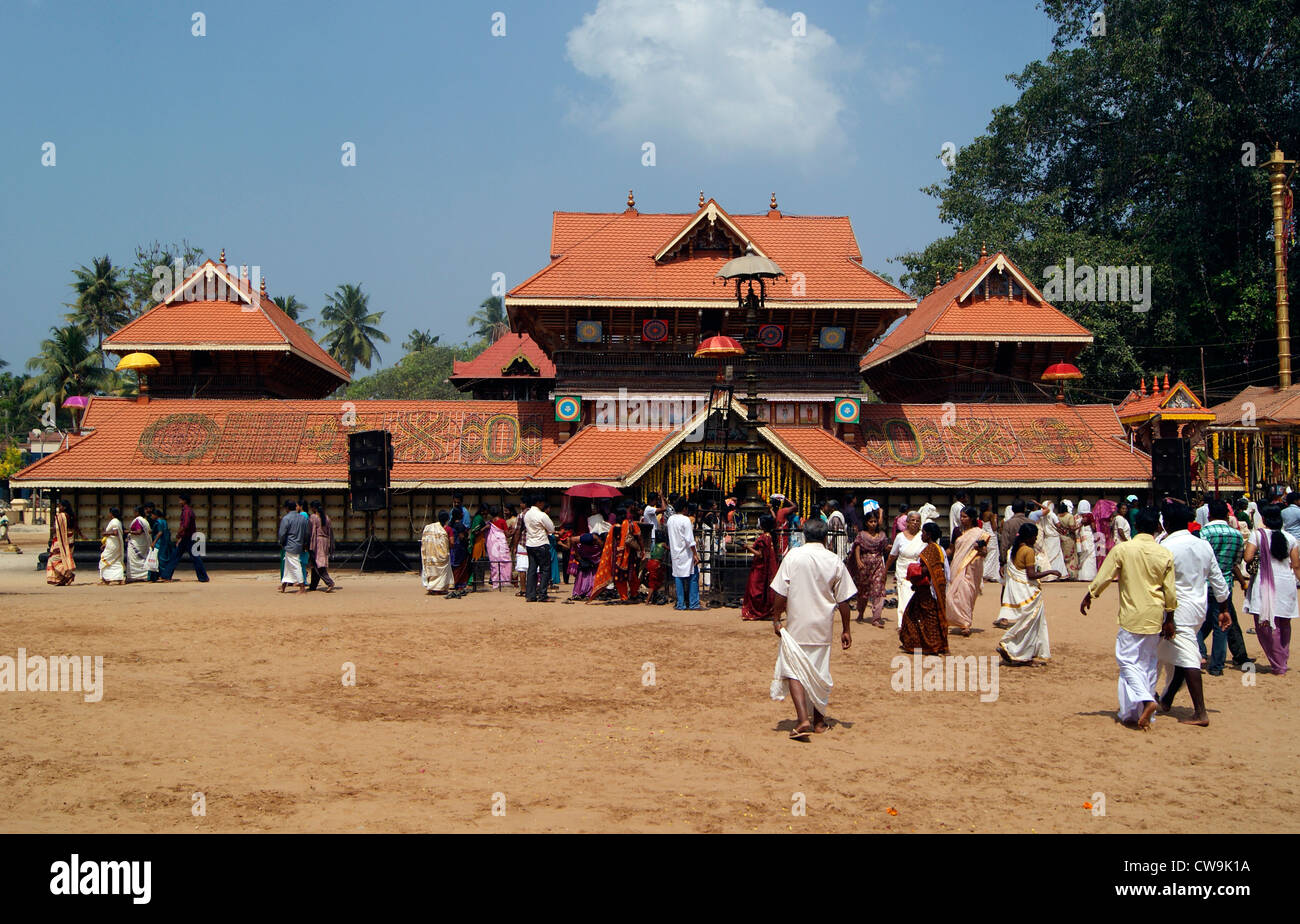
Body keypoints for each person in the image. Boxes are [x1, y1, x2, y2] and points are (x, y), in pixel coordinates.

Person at [1080, 507, 1178, 730]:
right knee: (1147, 664)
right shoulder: (1164, 553)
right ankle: (1132, 713)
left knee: (1126, 662)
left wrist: (1090, 594)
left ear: (1135, 526)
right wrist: (1170, 618)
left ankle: (1145, 700)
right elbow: (1170, 591)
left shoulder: (1123, 549)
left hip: (1131, 615)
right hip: (1155, 615)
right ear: (1157, 527)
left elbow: (1105, 575)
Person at [769, 518, 855, 739]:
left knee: (793, 670)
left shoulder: (793, 557)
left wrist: (776, 618)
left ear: (804, 535)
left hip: (797, 624)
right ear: (826, 537)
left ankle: (803, 719)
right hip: (822, 627)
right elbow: (843, 600)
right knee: (819, 673)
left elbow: (781, 593)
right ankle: (818, 721)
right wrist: (846, 629)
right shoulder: (834, 560)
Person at [1156, 504, 1229, 726]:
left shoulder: (1164, 546)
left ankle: (1200, 712)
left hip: (1174, 610)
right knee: (1176, 653)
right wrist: (1224, 608)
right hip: (1199, 607)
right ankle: (1166, 699)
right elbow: (1217, 579)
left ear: (1165, 524)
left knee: (1187, 657)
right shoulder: (1202, 545)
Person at [1242, 504, 1300, 676]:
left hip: (1265, 584)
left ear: (1264, 519)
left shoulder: (1258, 535)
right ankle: (1282, 658)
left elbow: (1247, 557)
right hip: (1286, 583)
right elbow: (1296, 565)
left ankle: (1278, 662)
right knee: (1284, 622)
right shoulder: (1290, 538)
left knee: (1265, 624)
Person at [1198, 499, 1253, 675]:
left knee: (1198, 622)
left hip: (1203, 583)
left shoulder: (1203, 533)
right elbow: (1238, 561)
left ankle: (1199, 653)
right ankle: (1217, 665)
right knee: (1221, 625)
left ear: (1209, 515)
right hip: (1225, 584)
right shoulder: (1236, 535)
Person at [996, 522, 1059, 665]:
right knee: (1030, 626)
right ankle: (1015, 650)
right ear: (1029, 537)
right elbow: (1031, 574)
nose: (1035, 540)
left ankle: (1021, 652)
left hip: (1021, 593)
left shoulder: (1014, 549)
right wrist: (1050, 571)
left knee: (1026, 624)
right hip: (1030, 593)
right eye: (1034, 537)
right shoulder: (1028, 551)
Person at [898, 522, 949, 655]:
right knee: (929, 616)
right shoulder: (938, 548)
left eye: (924, 533)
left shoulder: (931, 549)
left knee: (922, 616)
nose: (922, 535)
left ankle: (930, 646)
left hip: (927, 590)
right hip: (935, 588)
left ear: (929, 535)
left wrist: (913, 573)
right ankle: (936, 645)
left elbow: (926, 570)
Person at [946, 506, 988, 637]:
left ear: (972, 518)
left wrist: (979, 549)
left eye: (965, 517)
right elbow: (951, 550)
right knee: (953, 595)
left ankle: (966, 624)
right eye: (961, 516)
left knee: (967, 594)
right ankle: (955, 620)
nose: (962, 519)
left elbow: (984, 552)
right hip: (957, 566)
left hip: (972, 568)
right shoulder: (957, 532)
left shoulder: (979, 533)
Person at [849, 504, 889, 627]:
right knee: (863, 591)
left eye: (875, 521)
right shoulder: (861, 535)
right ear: (866, 523)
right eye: (871, 521)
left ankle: (876, 618)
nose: (873, 524)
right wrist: (858, 561)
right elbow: (857, 547)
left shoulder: (881, 536)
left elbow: (884, 549)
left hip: (877, 565)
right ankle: (860, 612)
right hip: (864, 566)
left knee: (878, 590)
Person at [885, 511, 924, 628]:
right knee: (904, 597)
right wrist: (885, 570)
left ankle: (916, 622)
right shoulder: (900, 537)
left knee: (917, 598)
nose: (915, 523)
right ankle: (903, 624)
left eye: (918, 521)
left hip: (919, 572)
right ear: (907, 522)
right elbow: (892, 556)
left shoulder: (923, 536)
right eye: (913, 520)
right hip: (904, 572)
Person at [741, 514, 780, 621]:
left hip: (760, 567)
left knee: (755, 589)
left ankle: (757, 611)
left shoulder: (763, 538)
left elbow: (760, 554)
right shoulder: (772, 536)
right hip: (769, 567)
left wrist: (747, 547)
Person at [667, 501, 701, 610]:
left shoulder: (670, 520)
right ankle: (693, 603)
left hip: (675, 552)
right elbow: (690, 540)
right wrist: (695, 554)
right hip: (686, 553)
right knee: (693, 576)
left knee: (678, 577)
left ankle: (681, 604)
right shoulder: (685, 520)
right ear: (685, 509)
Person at [523, 495, 555, 602]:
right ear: (538, 503)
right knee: (545, 570)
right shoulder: (541, 515)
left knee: (532, 569)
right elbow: (551, 528)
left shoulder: (526, 514)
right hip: (541, 543)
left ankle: (531, 595)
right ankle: (543, 595)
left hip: (530, 544)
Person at [174, 493, 209, 582]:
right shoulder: (188, 511)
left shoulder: (186, 511)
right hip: (188, 536)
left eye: (180, 500)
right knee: (178, 556)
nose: (179, 502)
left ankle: (203, 576)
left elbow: (185, 525)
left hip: (187, 537)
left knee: (178, 556)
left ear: (184, 501)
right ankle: (203, 576)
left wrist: (179, 534)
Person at [276, 500, 308, 592]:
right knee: (287, 565)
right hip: (300, 544)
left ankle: (302, 587)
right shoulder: (302, 518)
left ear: (287, 508)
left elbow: (282, 534)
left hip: (290, 544)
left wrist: (281, 543)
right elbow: (306, 533)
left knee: (295, 565)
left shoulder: (286, 519)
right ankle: (284, 585)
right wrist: (305, 543)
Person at [421, 511, 453, 594]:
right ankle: (439, 588)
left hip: (431, 554)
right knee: (442, 572)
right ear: (447, 519)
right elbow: (451, 542)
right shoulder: (448, 529)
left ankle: (431, 587)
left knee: (432, 570)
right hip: (443, 554)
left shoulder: (430, 527)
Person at [45, 499, 77, 586]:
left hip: (62, 540)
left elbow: (59, 528)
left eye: (60, 506)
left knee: (53, 559)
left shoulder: (62, 516)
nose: (59, 508)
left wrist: (53, 529)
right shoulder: (71, 515)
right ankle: (62, 579)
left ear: (64, 507)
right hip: (70, 538)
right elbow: (75, 527)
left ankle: (68, 574)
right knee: (62, 559)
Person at [613, 507, 642, 602]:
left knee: (619, 577)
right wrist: (642, 549)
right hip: (629, 554)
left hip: (617, 555)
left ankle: (624, 596)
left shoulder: (614, 527)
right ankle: (634, 594)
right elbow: (639, 537)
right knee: (632, 574)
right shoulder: (632, 524)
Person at [307, 501, 336, 592]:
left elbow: (310, 532)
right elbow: (330, 532)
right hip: (325, 541)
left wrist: (308, 544)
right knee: (316, 563)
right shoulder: (327, 518)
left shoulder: (313, 517)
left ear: (314, 508)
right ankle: (313, 586)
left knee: (318, 564)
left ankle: (329, 582)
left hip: (317, 542)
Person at [1035, 501, 1067, 581]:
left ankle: (1050, 574)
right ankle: (1059, 574)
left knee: (1049, 555)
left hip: (1046, 538)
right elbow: (1058, 524)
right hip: (1054, 537)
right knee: (1057, 556)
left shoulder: (1042, 516)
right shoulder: (1052, 515)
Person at [149, 504, 178, 582]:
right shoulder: (164, 521)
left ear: (156, 515)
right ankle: (165, 575)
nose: (151, 516)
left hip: (159, 543)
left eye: (152, 515)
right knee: (165, 558)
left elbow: (160, 532)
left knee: (160, 559)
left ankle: (164, 575)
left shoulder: (158, 522)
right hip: (166, 542)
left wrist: (153, 542)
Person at [486, 507, 512, 589]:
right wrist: (514, 531)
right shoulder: (502, 521)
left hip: (492, 545)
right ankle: (505, 581)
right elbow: (507, 534)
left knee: (494, 563)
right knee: (506, 562)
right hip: (501, 544)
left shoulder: (490, 523)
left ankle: (496, 582)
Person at [98, 507, 125, 585]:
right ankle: (119, 579)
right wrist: (105, 544)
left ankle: (106, 579)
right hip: (115, 544)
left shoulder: (114, 521)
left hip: (113, 545)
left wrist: (105, 533)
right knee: (116, 561)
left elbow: (115, 532)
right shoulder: (118, 521)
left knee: (104, 558)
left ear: (112, 514)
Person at [125, 506, 151, 582]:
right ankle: (144, 575)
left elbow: (139, 531)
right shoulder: (144, 521)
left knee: (134, 559)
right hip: (142, 543)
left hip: (136, 544)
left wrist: (129, 532)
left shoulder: (138, 521)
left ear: (137, 512)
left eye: (134, 512)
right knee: (141, 559)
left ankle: (134, 576)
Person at [570, 533, 600, 599]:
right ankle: (586, 592)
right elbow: (572, 539)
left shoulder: (598, 541)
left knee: (587, 576)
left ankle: (586, 592)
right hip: (585, 559)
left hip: (592, 561)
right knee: (585, 574)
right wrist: (578, 556)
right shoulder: (584, 539)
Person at [999, 500, 1029, 567]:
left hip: (1013, 557)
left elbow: (1004, 544)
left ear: (1012, 509)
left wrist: (1002, 561)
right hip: (1029, 558)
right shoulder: (1031, 522)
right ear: (1024, 509)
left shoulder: (1008, 524)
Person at [1057, 500, 1078, 579]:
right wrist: (1079, 526)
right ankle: (1071, 574)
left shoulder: (1058, 516)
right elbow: (1072, 528)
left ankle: (1064, 573)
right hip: (1069, 538)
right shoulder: (1069, 516)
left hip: (1061, 538)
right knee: (1071, 557)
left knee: (1063, 556)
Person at [1076, 511, 1098, 582]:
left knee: (1083, 555)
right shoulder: (1090, 515)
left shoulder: (1077, 517)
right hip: (1089, 536)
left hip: (1082, 537)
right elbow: (1093, 527)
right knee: (1090, 555)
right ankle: (1090, 576)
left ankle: (1082, 576)